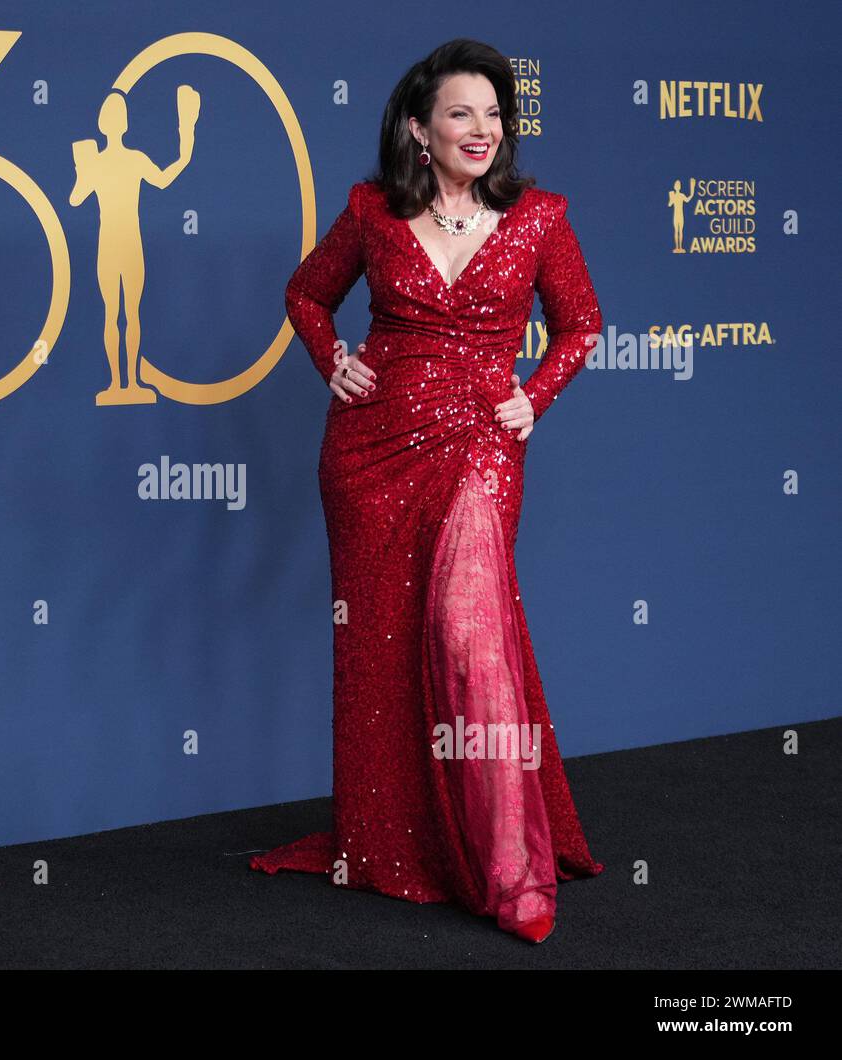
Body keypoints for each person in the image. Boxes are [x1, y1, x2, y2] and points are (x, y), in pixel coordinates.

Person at [250, 38, 605, 944]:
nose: (481, 130)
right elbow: (306, 293)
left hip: (482, 447)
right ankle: (393, 847)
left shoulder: (539, 217)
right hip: (369, 458)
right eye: (461, 113)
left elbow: (583, 323)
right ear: (419, 128)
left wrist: (535, 398)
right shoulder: (372, 211)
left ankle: (510, 866)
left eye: (494, 115)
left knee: (471, 635)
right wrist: (333, 361)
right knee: (378, 651)